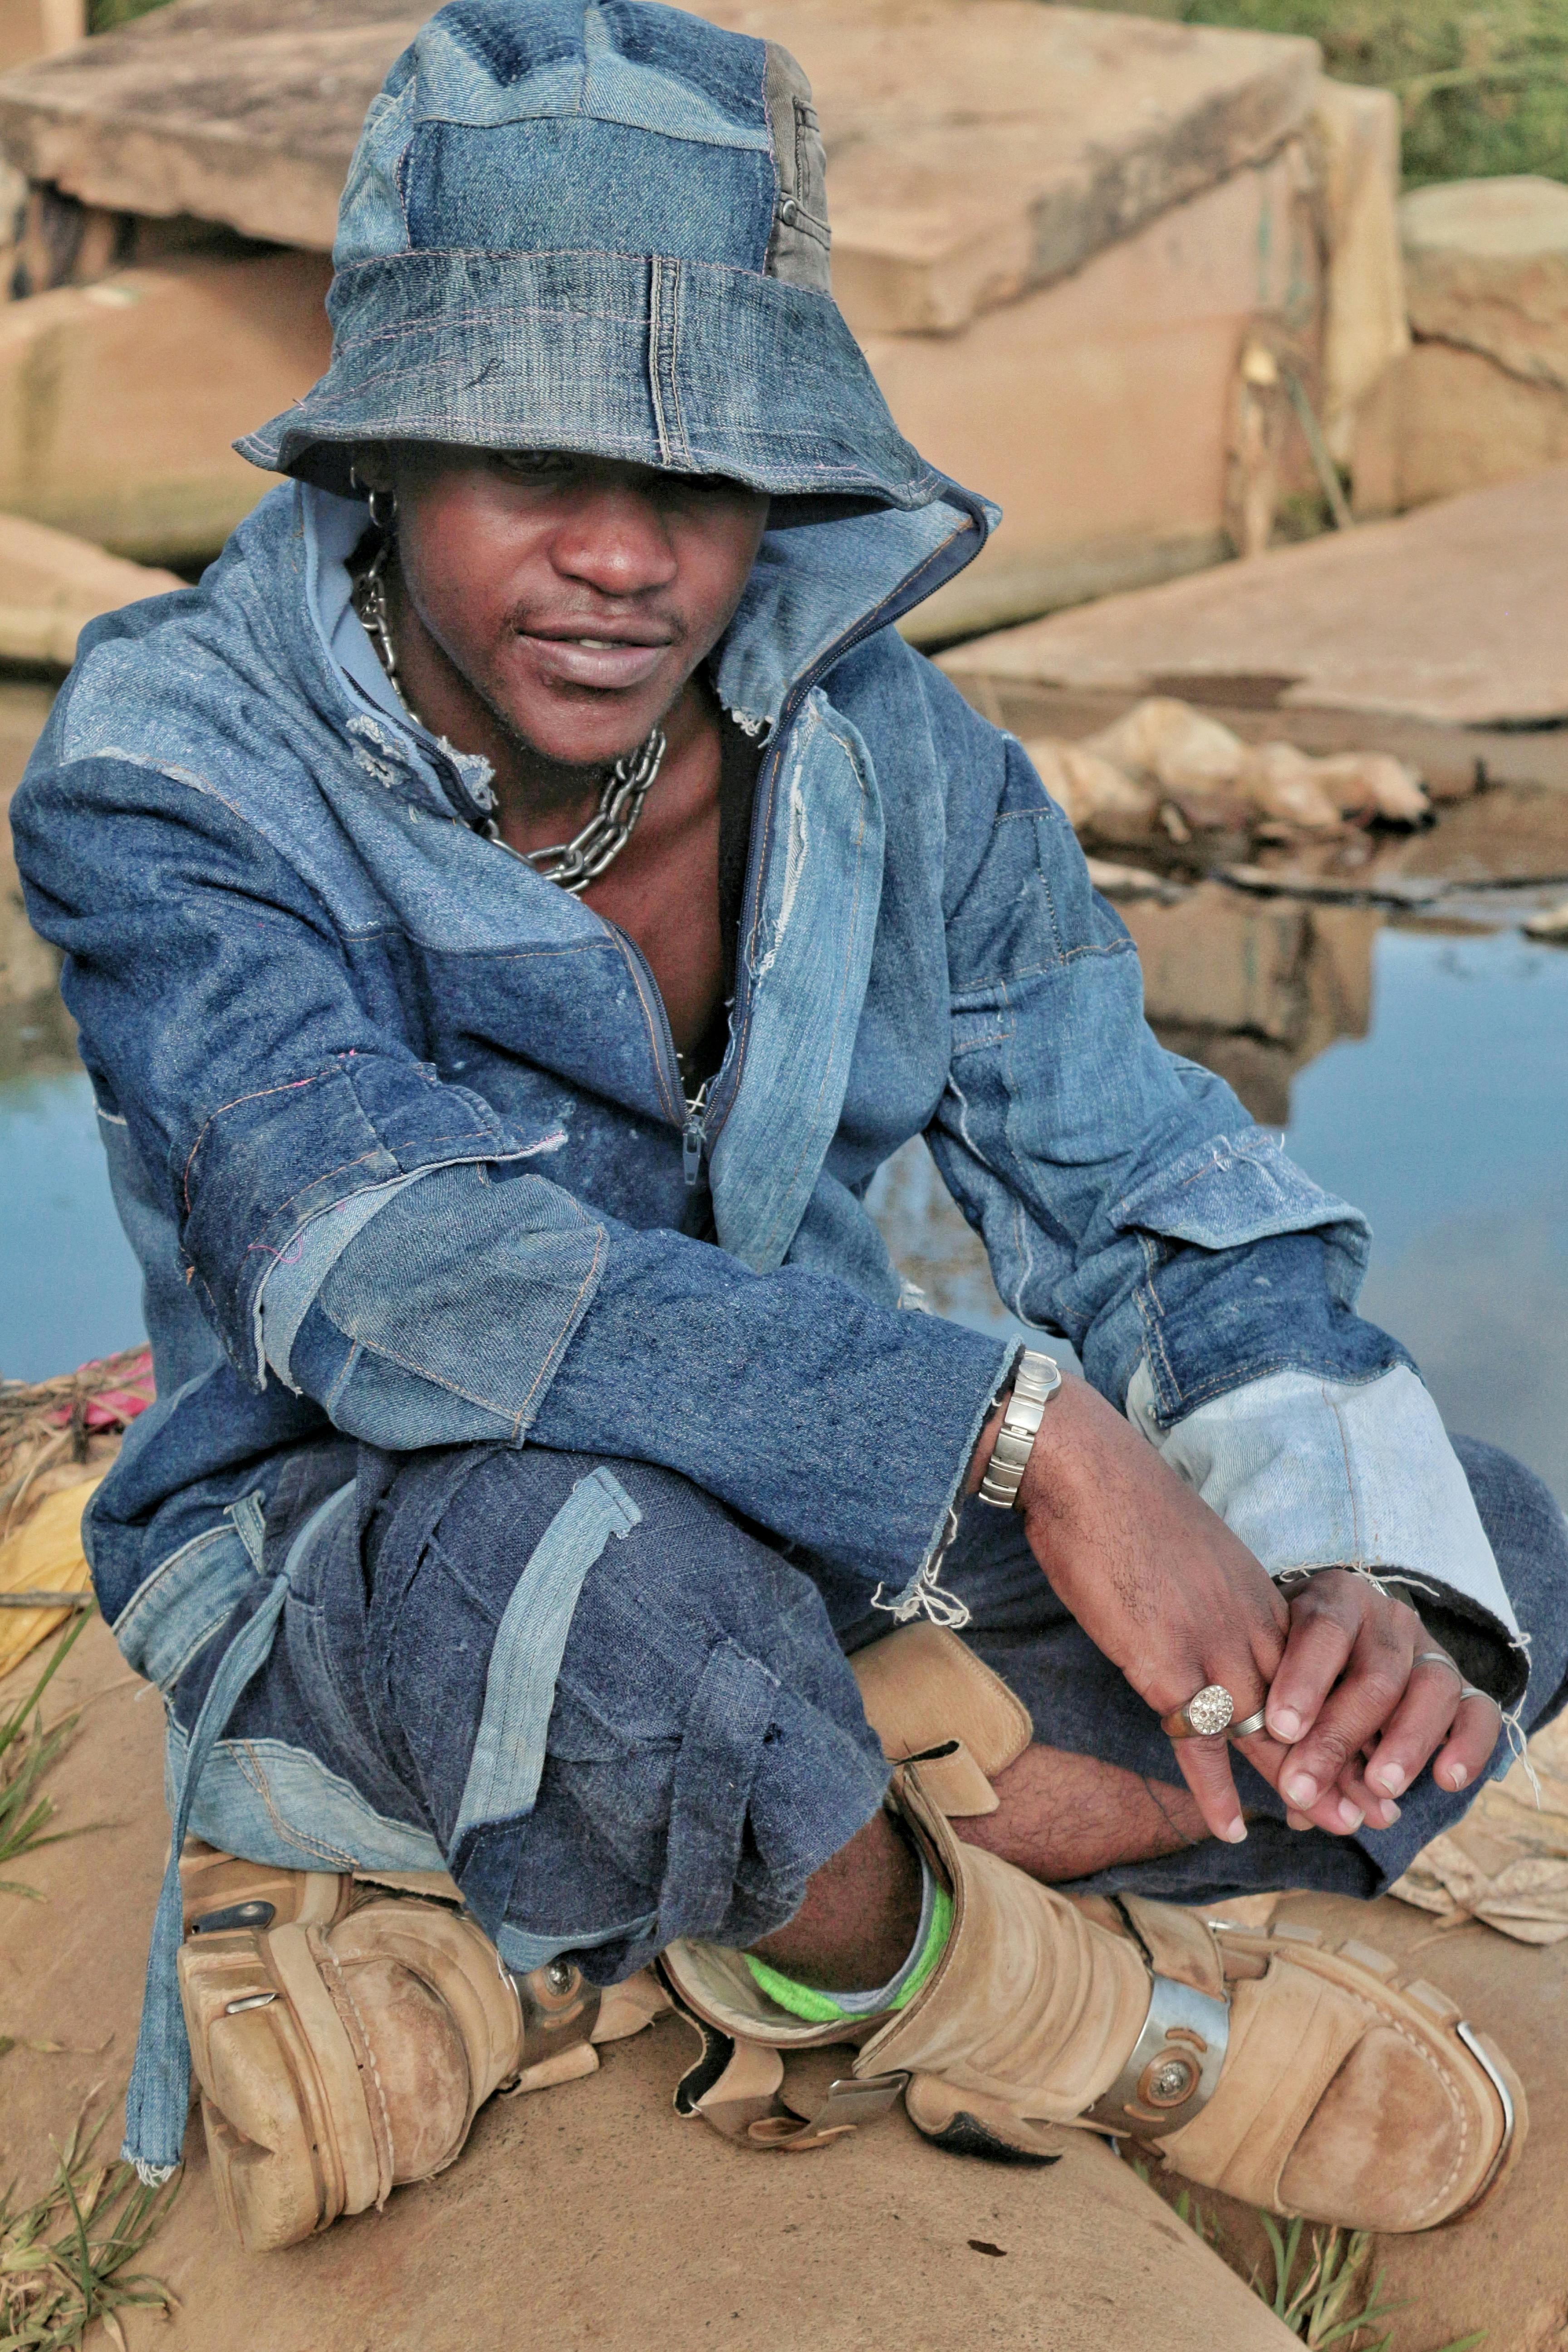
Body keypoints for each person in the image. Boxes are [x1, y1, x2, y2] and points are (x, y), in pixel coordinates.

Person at [14, 0, 1568, 2256]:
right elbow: (385, 1266)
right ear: (387, 459)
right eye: (538, 464)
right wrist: (1036, 1438)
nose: (629, 560)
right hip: (386, 1545)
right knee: (628, 1616)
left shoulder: (884, 751)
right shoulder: (169, 770)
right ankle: (1034, 1993)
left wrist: (1331, 1552)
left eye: (702, 478)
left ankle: (726, 1878)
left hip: (835, 1527)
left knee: (1482, 1553)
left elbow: (1139, 1171)